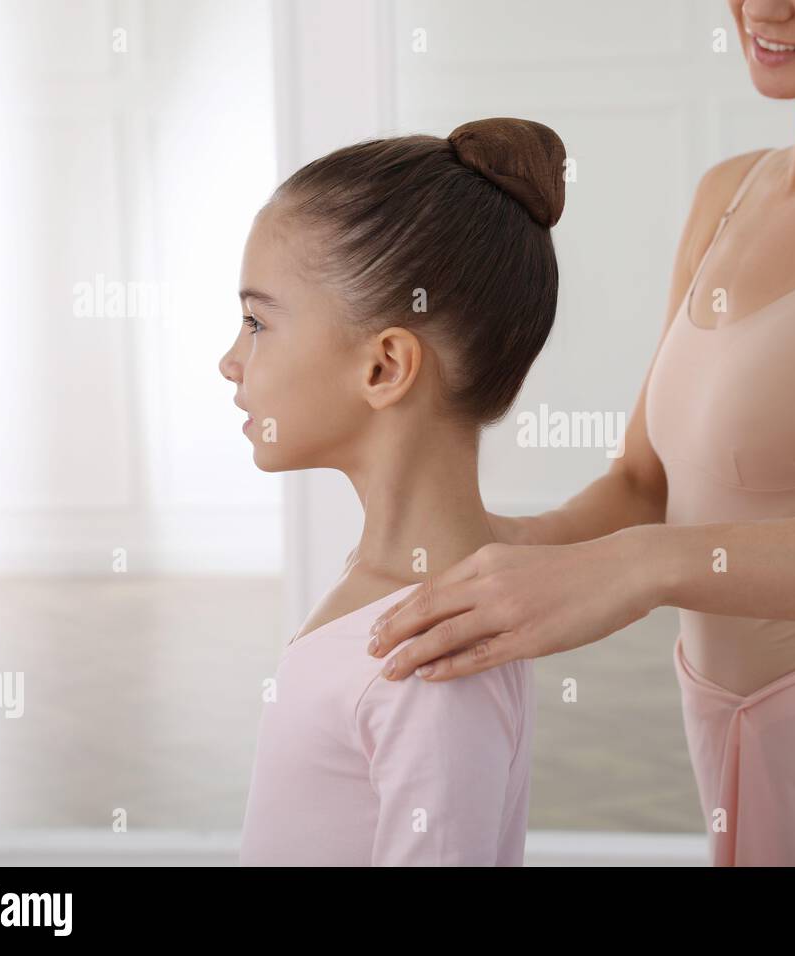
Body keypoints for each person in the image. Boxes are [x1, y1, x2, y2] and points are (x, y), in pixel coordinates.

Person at [368, 0, 795, 865]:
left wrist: (645, 568)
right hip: (734, 790)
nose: (764, 7)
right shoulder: (730, 193)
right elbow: (643, 484)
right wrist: (489, 554)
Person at [227, 118, 567, 865]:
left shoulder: (428, 656)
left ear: (384, 367)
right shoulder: (389, 591)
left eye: (256, 322)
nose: (230, 360)